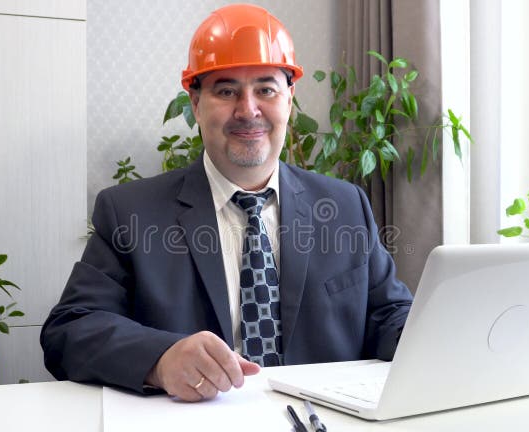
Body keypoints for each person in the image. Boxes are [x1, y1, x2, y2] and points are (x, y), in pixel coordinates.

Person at [40, 3, 412, 402]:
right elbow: (70, 329)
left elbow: (389, 317)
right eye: (226, 90)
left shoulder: (345, 206)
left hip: (326, 429)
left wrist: (451, 332)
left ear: (289, 99)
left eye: (266, 89)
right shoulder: (130, 212)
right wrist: (159, 359)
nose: (248, 109)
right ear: (196, 104)